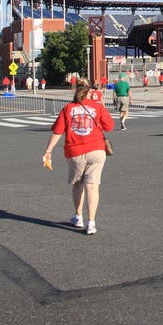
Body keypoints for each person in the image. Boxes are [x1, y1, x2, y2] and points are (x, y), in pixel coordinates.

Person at [42, 78, 114, 235]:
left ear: (75, 90)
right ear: (90, 91)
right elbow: (109, 126)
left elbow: (58, 131)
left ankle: (78, 216)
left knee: (78, 184)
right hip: (96, 149)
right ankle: (91, 223)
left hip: (75, 151)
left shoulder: (68, 108)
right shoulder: (97, 106)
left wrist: (48, 151)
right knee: (92, 186)